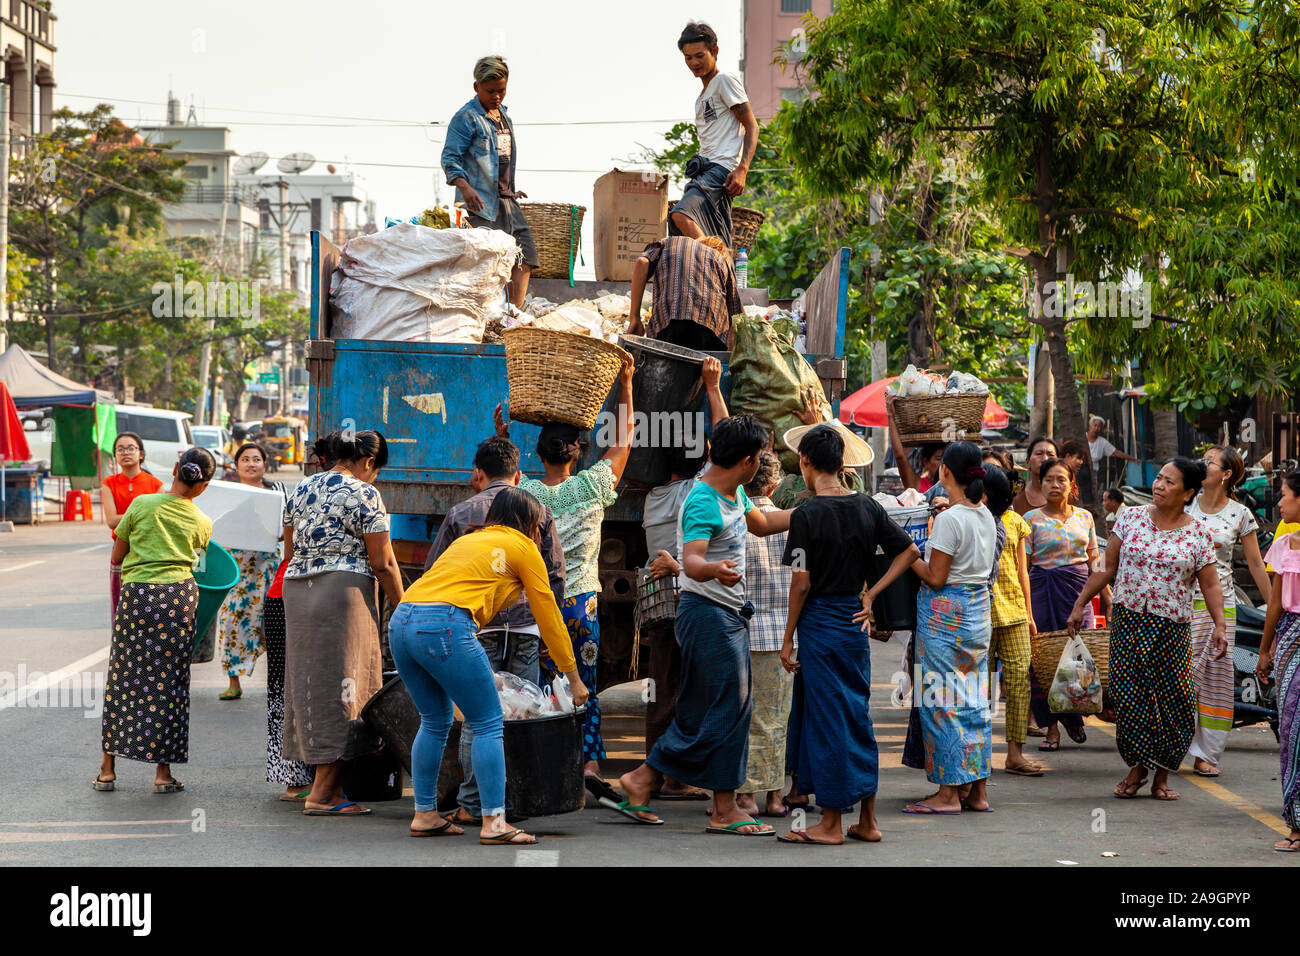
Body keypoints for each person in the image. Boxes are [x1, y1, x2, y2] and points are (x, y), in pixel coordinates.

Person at [614, 415, 791, 834]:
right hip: (708, 615)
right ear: (747, 461)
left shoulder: (734, 493)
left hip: (726, 615)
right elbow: (691, 561)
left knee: (701, 711)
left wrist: (814, 511)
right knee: (731, 711)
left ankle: (643, 779)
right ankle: (723, 808)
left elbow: (763, 525)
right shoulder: (703, 501)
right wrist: (714, 569)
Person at [391, 487, 591, 845]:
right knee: (488, 721)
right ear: (529, 524)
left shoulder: (467, 540)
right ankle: (495, 822)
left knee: (434, 720)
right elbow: (548, 616)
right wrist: (574, 679)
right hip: (446, 625)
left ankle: (425, 815)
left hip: (402, 621)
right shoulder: (523, 546)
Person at [776, 426, 918, 844]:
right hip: (854, 622)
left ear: (805, 462)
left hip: (821, 623)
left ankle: (831, 824)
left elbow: (801, 583)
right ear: (842, 465)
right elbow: (910, 550)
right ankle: (868, 821)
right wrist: (871, 594)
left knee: (828, 719)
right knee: (855, 716)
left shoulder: (805, 516)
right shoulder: (867, 506)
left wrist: (787, 638)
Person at [425, 429, 565, 826]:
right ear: (518, 475)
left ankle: (473, 803)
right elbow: (554, 576)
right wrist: (547, 632)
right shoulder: (537, 511)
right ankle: (517, 798)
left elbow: (437, 572)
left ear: (478, 473)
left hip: (476, 628)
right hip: (526, 628)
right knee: (525, 711)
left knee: (478, 715)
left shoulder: (461, 513)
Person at [1068, 458, 1225, 802]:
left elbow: (1211, 585)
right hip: (1129, 621)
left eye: (1169, 482)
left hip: (1172, 628)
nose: (1159, 485)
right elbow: (1105, 567)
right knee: (1129, 696)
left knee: (1176, 700)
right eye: (1159, 478)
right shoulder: (1131, 519)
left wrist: (1220, 625)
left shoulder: (1198, 534)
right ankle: (1138, 767)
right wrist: (1081, 603)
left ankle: (1162, 775)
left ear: (1187, 493)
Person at [519, 354, 636, 782]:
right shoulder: (593, 485)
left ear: (538, 454)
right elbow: (624, 439)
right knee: (584, 681)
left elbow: (501, 474)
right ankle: (589, 761)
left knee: (541, 683)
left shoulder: (524, 493)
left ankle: (547, 761)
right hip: (581, 604)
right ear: (579, 452)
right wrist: (626, 384)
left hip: (539, 603)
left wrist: (501, 436)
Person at [281, 430, 403, 816]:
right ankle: (322, 794)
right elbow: (382, 562)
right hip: (342, 594)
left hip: (298, 592)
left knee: (311, 684)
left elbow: (289, 549)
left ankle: (327, 788)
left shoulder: (301, 488)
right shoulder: (366, 493)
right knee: (347, 684)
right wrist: (404, 606)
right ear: (368, 462)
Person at [94, 447, 215, 794]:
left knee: (123, 678)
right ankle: (163, 774)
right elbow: (201, 562)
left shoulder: (142, 504)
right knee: (170, 683)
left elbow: (118, 554)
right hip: (178, 599)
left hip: (137, 597)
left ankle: (107, 769)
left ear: (175, 469)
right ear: (204, 486)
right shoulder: (202, 521)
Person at [638, 357, 728, 801]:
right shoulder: (697, 493)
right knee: (690, 688)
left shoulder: (653, 497)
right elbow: (726, 447)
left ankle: (655, 772)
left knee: (661, 686)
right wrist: (712, 388)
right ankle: (677, 775)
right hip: (689, 601)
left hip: (658, 605)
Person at [902, 442, 998, 815]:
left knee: (941, 702)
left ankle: (947, 794)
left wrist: (909, 551)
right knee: (974, 701)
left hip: (945, 615)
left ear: (944, 472)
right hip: (977, 611)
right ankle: (977, 791)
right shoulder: (984, 513)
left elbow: (935, 576)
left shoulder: (948, 520)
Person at [1186, 445, 1270, 776]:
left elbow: (1256, 565)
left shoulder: (1240, 514)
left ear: (1226, 474)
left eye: (1209, 462)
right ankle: (1172, 745)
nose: (1202, 464)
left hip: (1221, 608)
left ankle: (1207, 754)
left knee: (1216, 680)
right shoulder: (1184, 504)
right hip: (1180, 604)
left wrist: (1275, 610)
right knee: (1182, 676)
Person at [441, 55, 537, 308]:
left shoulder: (504, 116)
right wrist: (466, 189)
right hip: (480, 204)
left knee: (525, 255)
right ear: (477, 87)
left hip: (506, 199)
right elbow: (450, 159)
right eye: (490, 91)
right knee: (487, 261)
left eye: (501, 90)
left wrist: (511, 189)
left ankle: (512, 314)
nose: (496, 96)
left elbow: (502, 160)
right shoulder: (466, 117)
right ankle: (487, 312)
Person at [1023, 458, 1104, 751]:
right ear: (1040, 484)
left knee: (1079, 659)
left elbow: (1095, 563)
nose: (1054, 485)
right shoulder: (1030, 519)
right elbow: (1024, 566)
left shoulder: (1085, 517)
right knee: (1043, 663)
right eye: (1048, 480)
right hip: (1041, 592)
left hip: (1078, 593)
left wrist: (1108, 597)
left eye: (1061, 480)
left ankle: (1073, 714)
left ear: (1072, 486)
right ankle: (1052, 728)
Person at [735, 451, 797, 819]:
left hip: (742, 632)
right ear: (774, 486)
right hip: (783, 637)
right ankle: (774, 796)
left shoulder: (735, 523)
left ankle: (745, 796)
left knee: (743, 717)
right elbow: (802, 581)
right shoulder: (791, 526)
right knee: (776, 718)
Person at [669, 21, 758, 247]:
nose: (694, 63)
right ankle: (720, 263)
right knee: (693, 236)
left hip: (721, 170)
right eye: (688, 57)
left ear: (714, 51)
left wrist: (742, 169)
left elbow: (752, 126)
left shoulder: (724, 81)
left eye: (699, 56)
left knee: (680, 215)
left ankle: (713, 259)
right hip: (708, 171)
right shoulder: (701, 98)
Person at [983, 451, 1044, 775]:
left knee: (1020, 682)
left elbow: (1023, 572)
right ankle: (977, 755)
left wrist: (1029, 615)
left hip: (1015, 612)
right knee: (979, 686)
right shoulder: (970, 516)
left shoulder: (1016, 521)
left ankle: (1014, 754)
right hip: (979, 612)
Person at [216, 443, 282, 701]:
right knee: (232, 623)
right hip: (236, 570)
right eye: (245, 459)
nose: (251, 464)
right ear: (236, 465)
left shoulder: (276, 492)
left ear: (265, 464)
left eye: (256, 459)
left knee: (273, 625)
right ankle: (234, 681)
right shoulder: (227, 494)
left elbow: (283, 530)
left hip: (266, 569)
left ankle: (277, 684)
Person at [1257, 471, 1300, 851]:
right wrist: (1265, 649)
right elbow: (1274, 604)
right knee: (1291, 728)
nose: (1280, 502)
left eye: (1285, 494)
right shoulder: (1283, 545)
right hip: (1290, 641)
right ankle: (1297, 824)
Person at [626, 234, 742, 351]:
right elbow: (738, 314)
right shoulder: (720, 260)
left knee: (668, 359)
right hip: (711, 330)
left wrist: (635, 317)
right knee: (707, 361)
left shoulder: (670, 242)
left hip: (670, 321)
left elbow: (642, 262)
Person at [101, 432, 163, 627]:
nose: (125, 452)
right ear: (115, 455)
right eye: (120, 449)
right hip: (121, 551)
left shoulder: (155, 485)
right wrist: (143, 514)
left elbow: (157, 522)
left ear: (141, 454)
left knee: (148, 606)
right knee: (121, 606)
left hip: (148, 552)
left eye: (130, 448)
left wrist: (128, 517)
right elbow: (111, 521)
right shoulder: (108, 483)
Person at [1013, 436, 1059, 515]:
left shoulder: (1067, 495)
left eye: (1051, 455)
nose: (1045, 459)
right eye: (1039, 454)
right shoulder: (1016, 494)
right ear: (1028, 462)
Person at [1088, 415, 1138, 483]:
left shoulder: (1102, 442)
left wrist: (1133, 459)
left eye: (1099, 426)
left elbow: (1116, 453)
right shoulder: (1083, 438)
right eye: (1095, 425)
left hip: (1093, 473)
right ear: (1090, 426)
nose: (1096, 428)